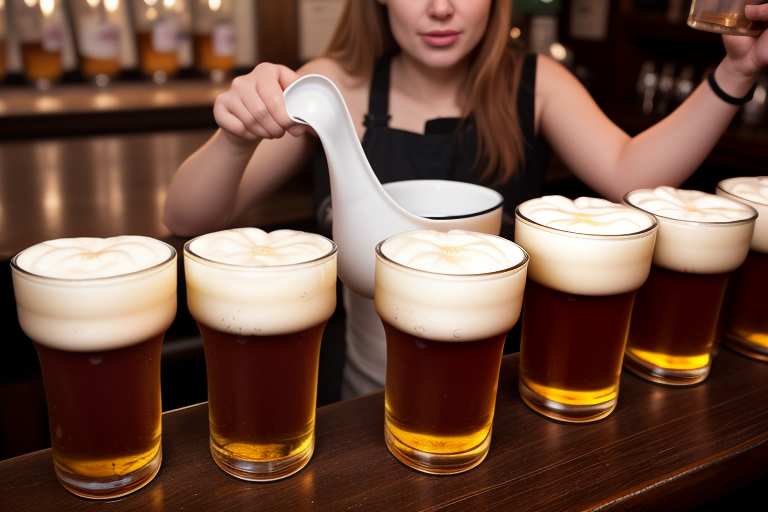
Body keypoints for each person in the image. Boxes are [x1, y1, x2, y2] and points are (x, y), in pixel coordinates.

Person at [164, 0, 768, 399]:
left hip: (497, 401)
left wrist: (736, 75)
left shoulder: (536, 83)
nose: (441, 6)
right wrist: (236, 135)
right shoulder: (334, 85)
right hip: (360, 403)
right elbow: (187, 217)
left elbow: (632, 175)